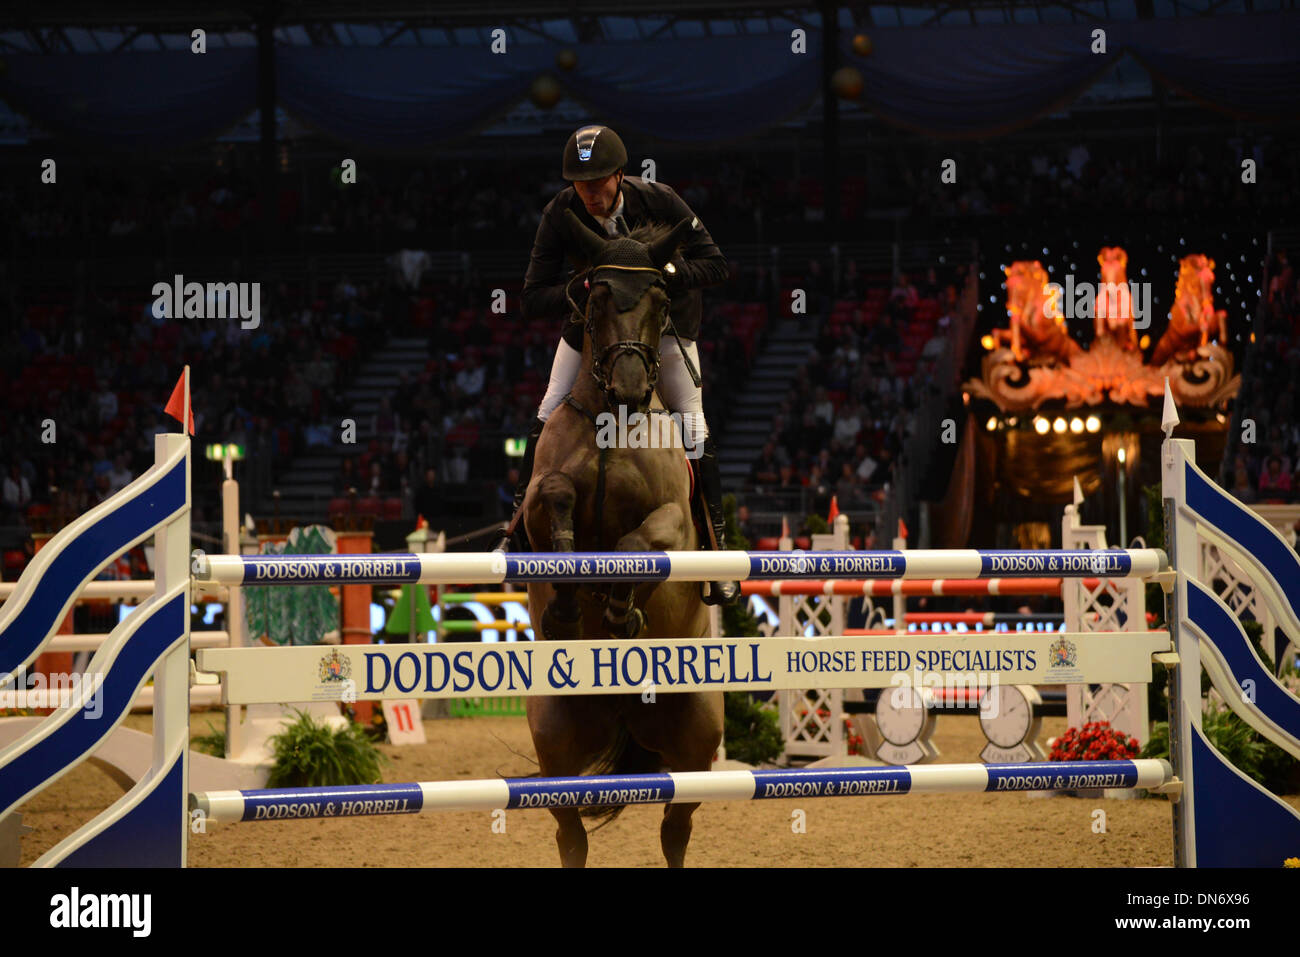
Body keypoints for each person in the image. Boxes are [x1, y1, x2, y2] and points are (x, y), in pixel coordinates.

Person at [504, 124, 737, 604]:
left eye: (598, 182)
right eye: (579, 184)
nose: (588, 193)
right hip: (599, 330)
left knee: (692, 422)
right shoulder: (560, 214)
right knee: (549, 407)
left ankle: (719, 554)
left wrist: (664, 272)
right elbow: (531, 297)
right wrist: (586, 288)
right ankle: (518, 530)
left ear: (620, 175)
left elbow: (716, 265)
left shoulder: (661, 200)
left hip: (663, 327)